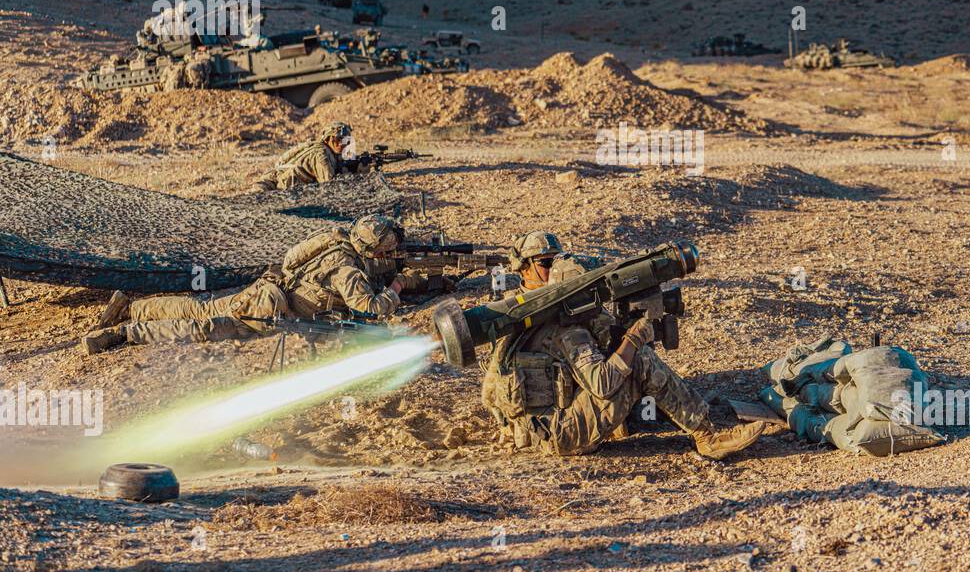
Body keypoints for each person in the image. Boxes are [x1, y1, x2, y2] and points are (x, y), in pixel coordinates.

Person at [481, 232, 766, 460]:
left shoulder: (515, 312)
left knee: (621, 353)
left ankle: (627, 421)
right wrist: (634, 338)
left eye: (557, 261)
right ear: (524, 269)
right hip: (559, 435)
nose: (553, 269)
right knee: (639, 359)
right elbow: (603, 384)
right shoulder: (560, 324)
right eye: (545, 263)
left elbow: (491, 395)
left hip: (534, 429)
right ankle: (707, 437)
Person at [82, 214, 439, 355]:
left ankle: (130, 307)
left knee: (201, 307)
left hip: (269, 290)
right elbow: (372, 308)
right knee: (201, 326)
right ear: (373, 248)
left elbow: (291, 260)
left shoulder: (336, 242)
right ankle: (123, 333)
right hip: (267, 310)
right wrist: (400, 285)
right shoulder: (346, 270)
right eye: (386, 248)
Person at [252, 122, 353, 191]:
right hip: (274, 186)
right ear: (327, 139)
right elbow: (330, 186)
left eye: (346, 141)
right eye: (338, 139)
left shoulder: (329, 151)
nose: (341, 144)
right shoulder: (321, 156)